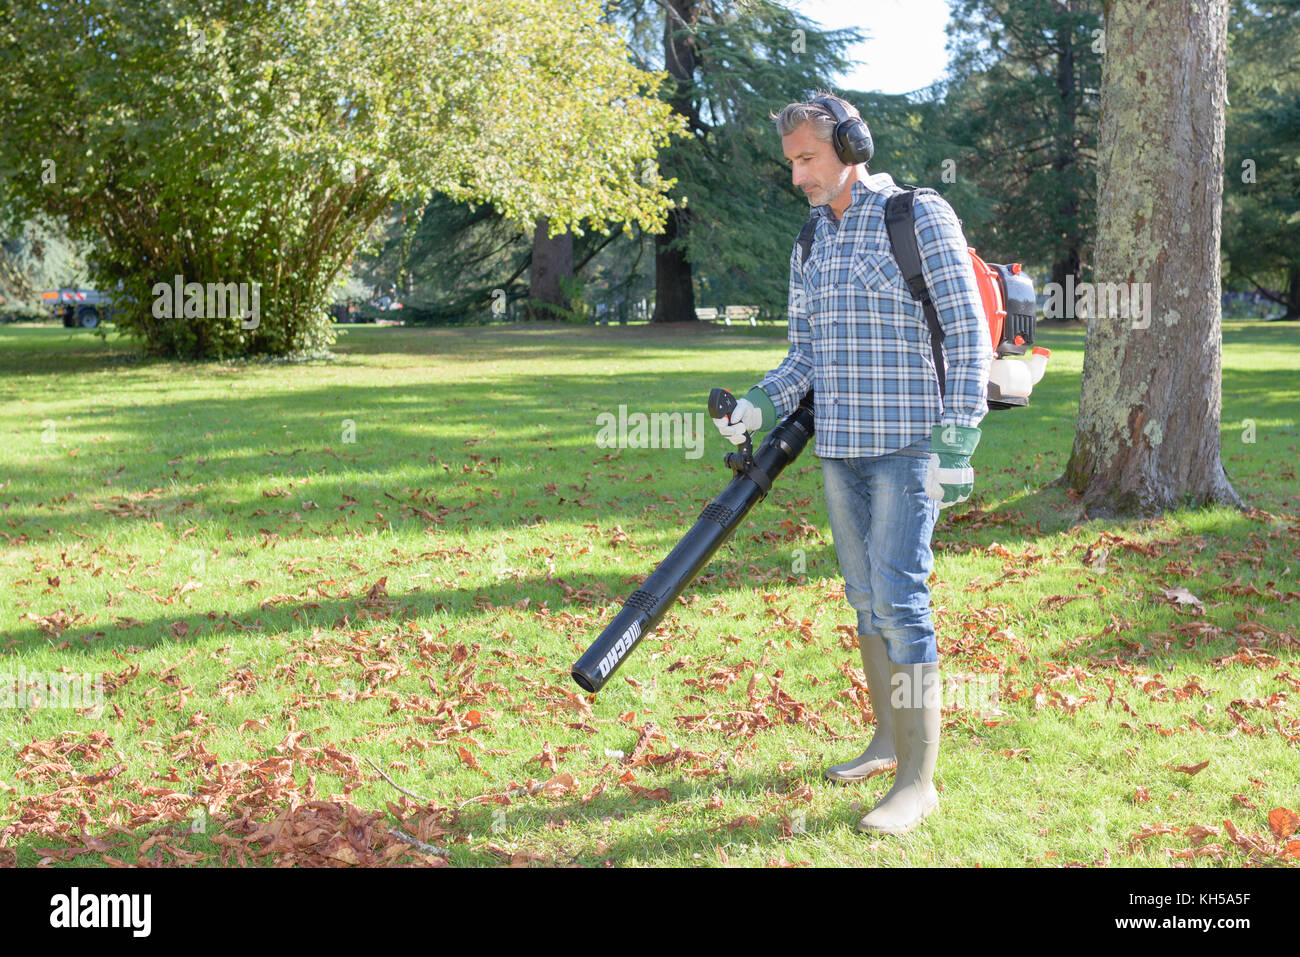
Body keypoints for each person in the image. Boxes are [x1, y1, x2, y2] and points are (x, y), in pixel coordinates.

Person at [712, 93, 992, 835]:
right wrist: (756, 406)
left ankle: (918, 779)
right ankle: (885, 739)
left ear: (850, 143)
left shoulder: (915, 215)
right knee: (865, 597)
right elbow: (803, 354)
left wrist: (958, 442)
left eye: (807, 157)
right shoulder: (810, 241)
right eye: (792, 162)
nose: (799, 175)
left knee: (902, 600)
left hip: (907, 446)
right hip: (839, 449)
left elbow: (966, 331)